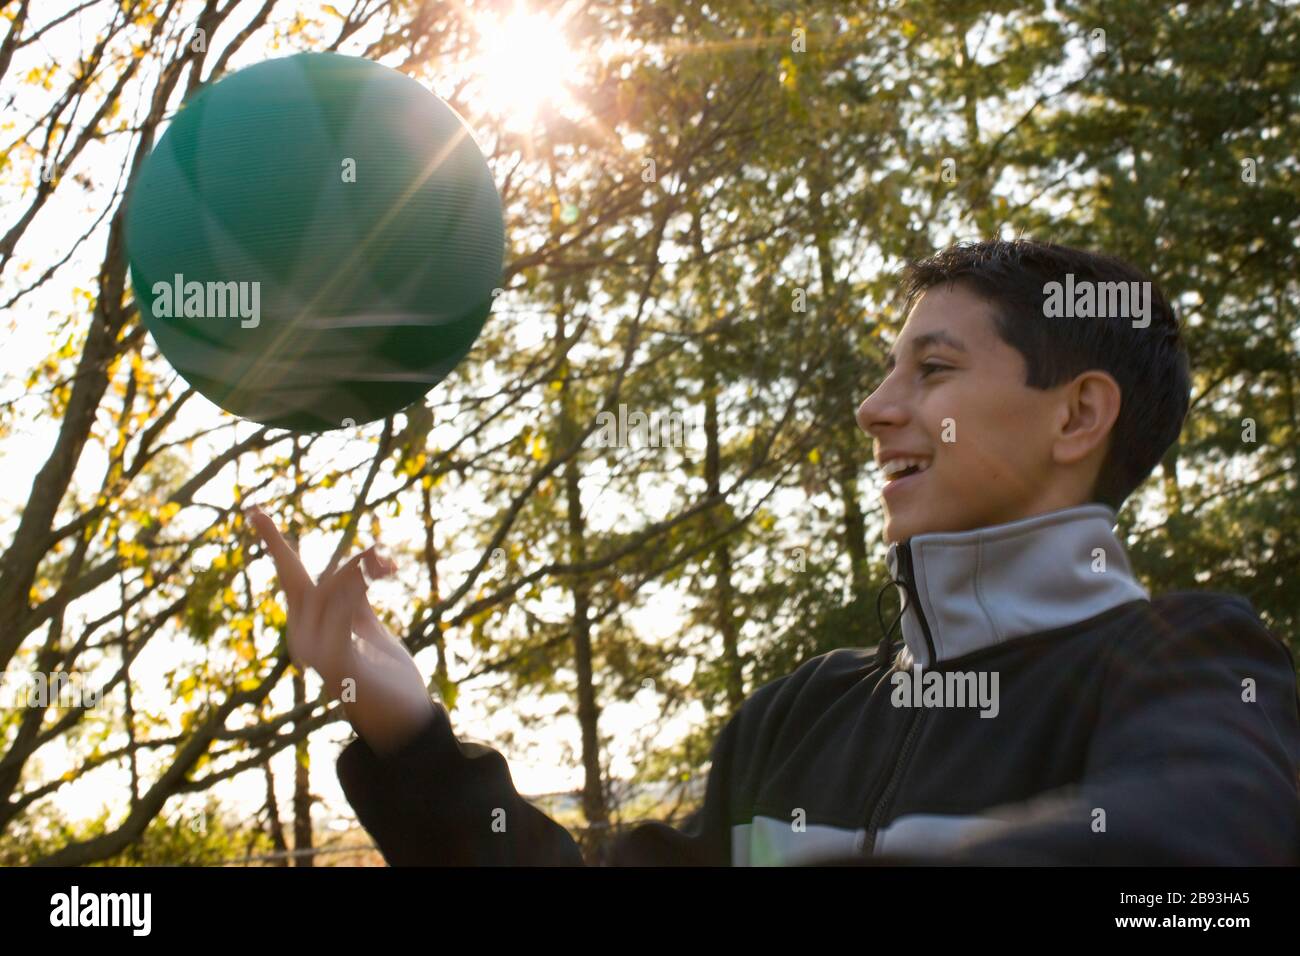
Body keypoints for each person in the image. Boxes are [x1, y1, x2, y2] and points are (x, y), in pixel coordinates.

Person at [247, 238, 1300, 866]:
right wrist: (410, 734)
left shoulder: (1190, 660)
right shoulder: (803, 710)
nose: (874, 408)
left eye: (931, 368)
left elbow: (1198, 857)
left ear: (1077, 415)